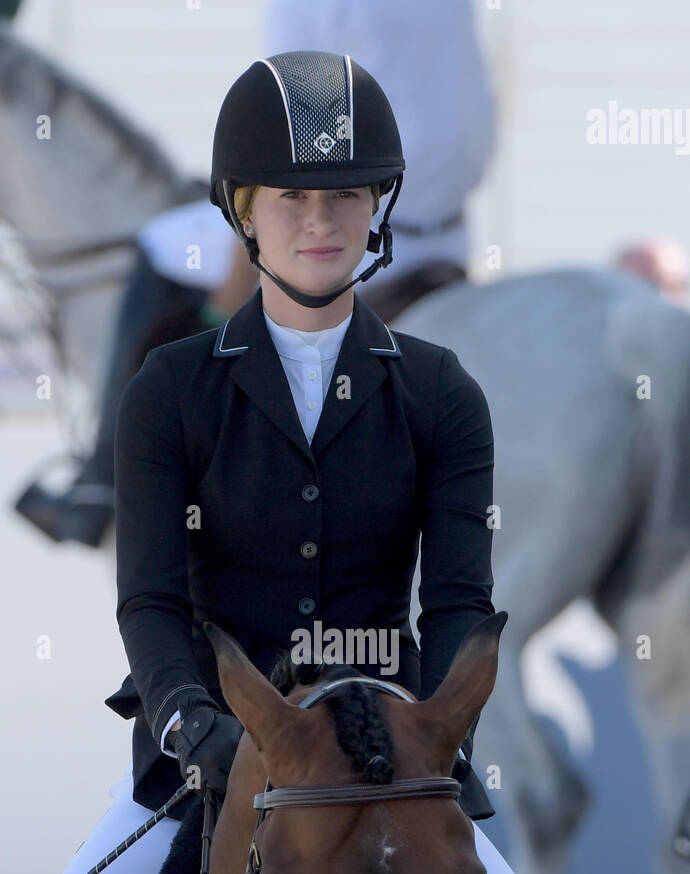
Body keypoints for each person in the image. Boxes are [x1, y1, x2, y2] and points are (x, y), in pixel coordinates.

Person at [0, 50, 601, 874]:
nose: (318, 221)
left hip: (394, 778)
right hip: (200, 767)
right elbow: (154, 603)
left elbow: (464, 606)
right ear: (244, 212)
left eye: (343, 199)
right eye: (290, 197)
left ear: (378, 211)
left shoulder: (441, 394)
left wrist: (428, 735)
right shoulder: (171, 390)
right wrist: (206, 734)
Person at [14, 0, 494, 549]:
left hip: (349, 219)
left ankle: (102, 486)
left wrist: (226, 299)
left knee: (160, 242)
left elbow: (287, 132)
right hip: (445, 229)